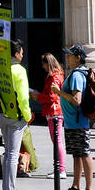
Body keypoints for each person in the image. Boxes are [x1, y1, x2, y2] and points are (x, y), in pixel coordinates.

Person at [58, 45, 95, 190]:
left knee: (84, 153)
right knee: (77, 154)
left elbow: (77, 100)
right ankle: (75, 188)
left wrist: (58, 92)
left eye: (70, 55)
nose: (67, 58)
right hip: (74, 122)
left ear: (78, 58)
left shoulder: (76, 75)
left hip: (78, 122)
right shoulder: (77, 73)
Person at [0, 39, 33, 190]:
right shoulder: (19, 70)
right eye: (21, 53)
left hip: (2, 114)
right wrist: (27, 115)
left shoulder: (1, 69)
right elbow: (24, 96)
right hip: (16, 116)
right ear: (16, 54)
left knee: (8, 153)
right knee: (12, 155)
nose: (22, 55)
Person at [30, 52, 66, 180]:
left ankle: (60, 169)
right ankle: (60, 168)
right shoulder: (56, 75)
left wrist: (37, 96)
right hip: (54, 111)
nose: (43, 67)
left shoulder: (53, 77)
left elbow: (52, 97)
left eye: (43, 64)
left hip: (54, 112)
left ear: (47, 63)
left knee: (57, 142)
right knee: (57, 141)